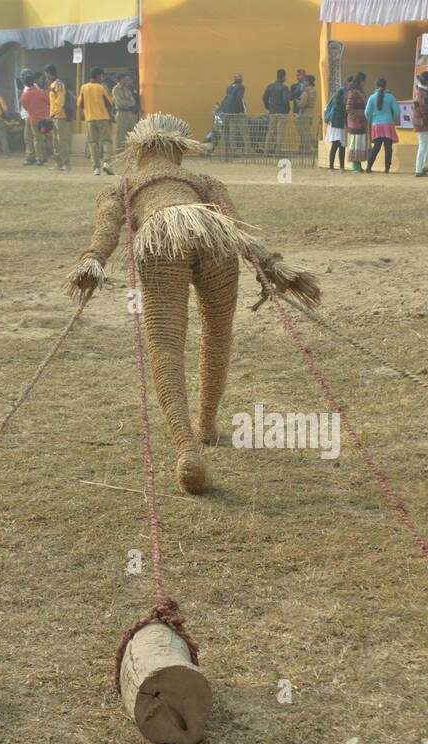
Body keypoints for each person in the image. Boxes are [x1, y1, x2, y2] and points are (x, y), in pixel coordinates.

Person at [62, 113, 320, 495]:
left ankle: (187, 448)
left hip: (160, 239)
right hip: (212, 235)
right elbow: (238, 228)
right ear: (181, 149)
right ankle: (206, 423)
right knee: (217, 334)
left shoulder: (123, 186)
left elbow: (106, 231)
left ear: (137, 150)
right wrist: (270, 263)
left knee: (165, 344)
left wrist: (93, 260)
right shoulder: (205, 182)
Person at [77, 67, 114, 175]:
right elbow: (109, 103)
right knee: (106, 141)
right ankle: (107, 163)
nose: (102, 78)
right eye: (102, 75)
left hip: (89, 119)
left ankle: (96, 168)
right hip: (102, 118)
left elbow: (80, 104)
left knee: (93, 143)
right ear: (99, 76)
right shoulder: (101, 87)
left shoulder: (83, 87)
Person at [363, 78, 399, 174]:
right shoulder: (391, 97)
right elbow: (397, 112)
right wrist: (393, 119)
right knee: (388, 147)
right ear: (385, 85)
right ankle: (387, 169)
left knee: (376, 147)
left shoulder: (371, 97)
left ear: (376, 86)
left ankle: (369, 167)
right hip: (388, 124)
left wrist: (371, 120)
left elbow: (367, 113)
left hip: (376, 125)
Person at [44, 64, 71, 171]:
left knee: (61, 141)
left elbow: (60, 101)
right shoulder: (52, 84)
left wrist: (53, 114)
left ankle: (66, 164)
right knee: (55, 141)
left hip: (60, 116)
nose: (45, 75)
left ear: (49, 73)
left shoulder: (58, 84)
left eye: (46, 73)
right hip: (54, 117)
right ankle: (58, 163)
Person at [20, 72, 51, 166]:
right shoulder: (41, 92)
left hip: (33, 119)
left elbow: (25, 107)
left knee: (37, 139)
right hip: (45, 118)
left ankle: (39, 158)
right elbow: (49, 101)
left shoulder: (24, 95)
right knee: (46, 137)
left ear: (25, 83)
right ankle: (46, 156)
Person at [411, 70, 428, 176]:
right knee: (423, 143)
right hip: (421, 121)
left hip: (424, 120)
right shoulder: (421, 93)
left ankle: (424, 166)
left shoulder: (425, 90)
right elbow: (424, 109)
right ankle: (418, 169)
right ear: (426, 81)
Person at [262, 68, 291, 154]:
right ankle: (277, 152)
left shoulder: (270, 86)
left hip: (272, 112)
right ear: (284, 77)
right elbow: (286, 99)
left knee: (270, 131)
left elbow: (264, 98)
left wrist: (268, 107)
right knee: (280, 132)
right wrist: (287, 110)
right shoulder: (284, 87)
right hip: (282, 113)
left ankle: (266, 150)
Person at [216, 72, 247, 154]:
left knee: (232, 132)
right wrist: (242, 111)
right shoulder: (241, 87)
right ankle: (247, 150)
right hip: (238, 113)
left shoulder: (229, 87)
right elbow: (239, 99)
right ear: (240, 79)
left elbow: (228, 98)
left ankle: (233, 150)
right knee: (245, 131)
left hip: (229, 112)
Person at [344, 72, 368, 172]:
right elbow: (348, 108)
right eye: (364, 81)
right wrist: (357, 117)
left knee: (358, 143)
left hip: (360, 121)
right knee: (355, 143)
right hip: (355, 122)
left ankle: (358, 165)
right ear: (361, 81)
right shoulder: (353, 92)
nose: (364, 83)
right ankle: (355, 166)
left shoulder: (358, 91)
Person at [323, 76, 348, 170]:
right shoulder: (344, 93)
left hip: (334, 123)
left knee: (335, 145)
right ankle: (341, 167)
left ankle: (331, 167)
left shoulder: (337, 94)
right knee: (341, 146)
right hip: (339, 123)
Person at [112, 73, 139, 154]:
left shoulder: (127, 89)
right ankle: (119, 153)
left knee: (132, 133)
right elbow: (120, 103)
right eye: (125, 79)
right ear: (121, 79)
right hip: (121, 113)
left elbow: (133, 102)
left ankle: (130, 152)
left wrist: (127, 102)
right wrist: (128, 102)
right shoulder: (115, 89)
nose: (127, 81)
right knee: (121, 135)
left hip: (129, 113)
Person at [295, 74, 318, 154]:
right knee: (307, 132)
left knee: (306, 133)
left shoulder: (306, 91)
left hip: (305, 113)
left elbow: (302, 104)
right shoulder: (314, 90)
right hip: (311, 112)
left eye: (304, 80)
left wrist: (298, 102)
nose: (303, 82)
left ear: (307, 82)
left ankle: (316, 145)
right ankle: (306, 149)